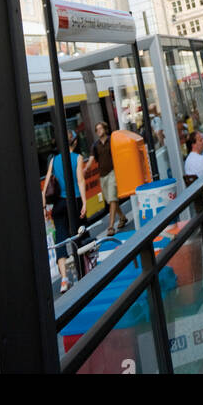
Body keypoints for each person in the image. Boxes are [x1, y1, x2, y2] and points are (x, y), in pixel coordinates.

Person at [43, 129, 87, 293]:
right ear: (75, 142)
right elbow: (80, 181)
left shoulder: (54, 160)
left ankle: (64, 279)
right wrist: (84, 202)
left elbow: (46, 185)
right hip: (73, 201)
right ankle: (82, 271)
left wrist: (43, 207)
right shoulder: (78, 158)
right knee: (80, 235)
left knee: (61, 239)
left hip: (58, 206)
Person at [91, 120, 126, 235]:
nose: (99, 131)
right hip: (103, 175)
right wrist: (86, 168)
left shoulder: (112, 140)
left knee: (112, 199)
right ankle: (122, 217)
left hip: (113, 172)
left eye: (101, 128)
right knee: (111, 200)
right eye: (97, 129)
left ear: (105, 129)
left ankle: (110, 226)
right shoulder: (95, 145)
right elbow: (93, 158)